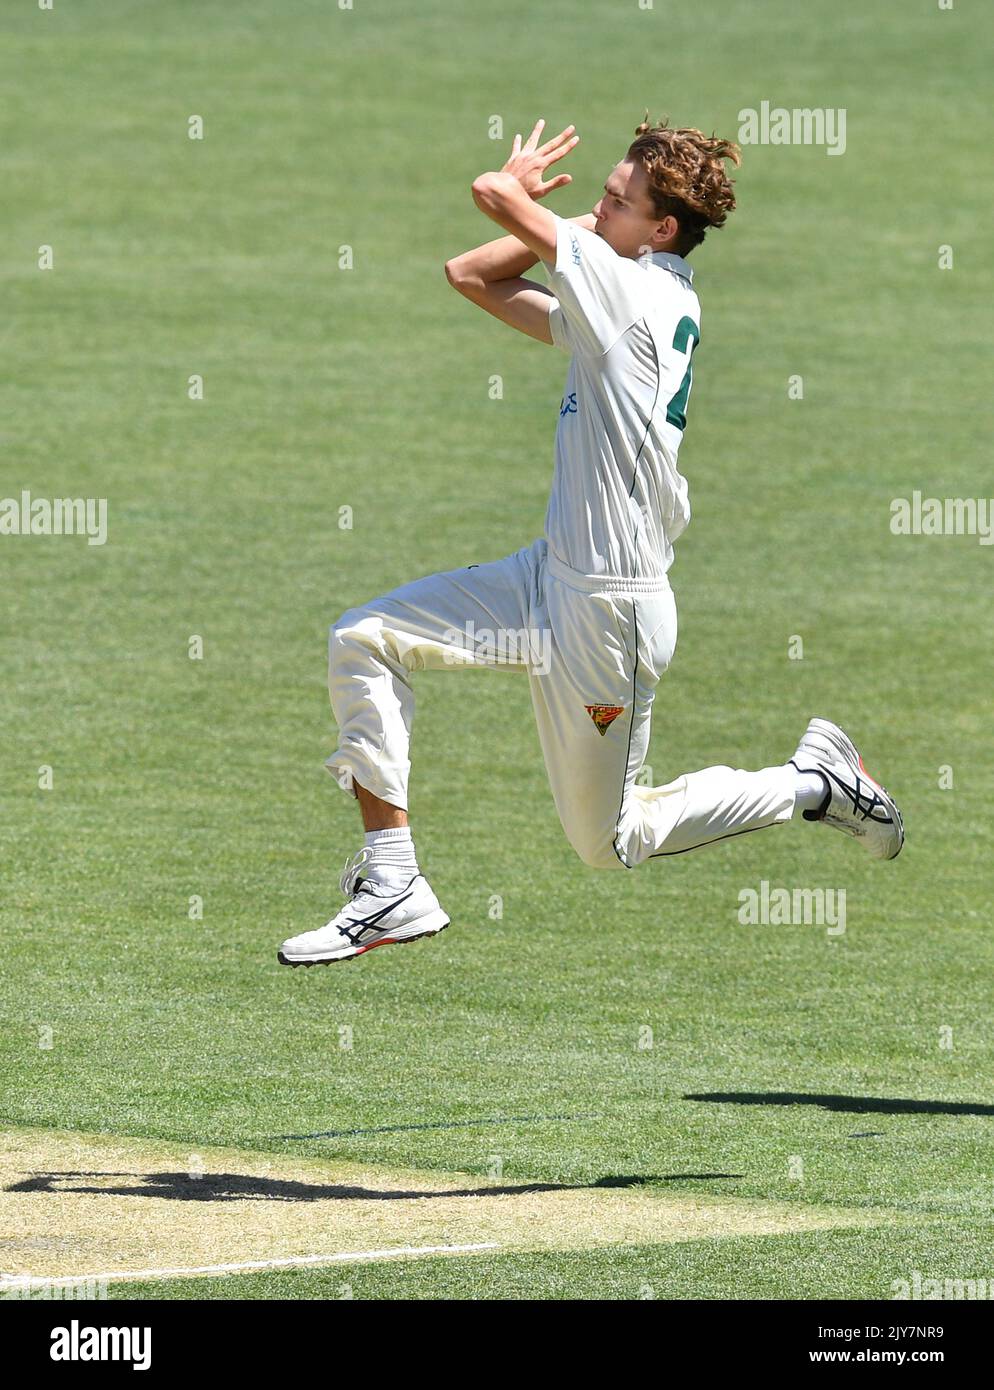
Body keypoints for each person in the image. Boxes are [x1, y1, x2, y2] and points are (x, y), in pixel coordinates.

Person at [278, 115, 903, 968]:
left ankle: (815, 784)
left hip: (611, 616)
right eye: (602, 194)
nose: (599, 208)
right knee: (362, 638)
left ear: (663, 230)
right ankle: (393, 885)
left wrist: (526, 198)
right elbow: (472, 276)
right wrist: (577, 232)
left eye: (618, 201)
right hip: (548, 581)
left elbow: (491, 198)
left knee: (611, 842)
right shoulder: (623, 291)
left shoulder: (632, 296)